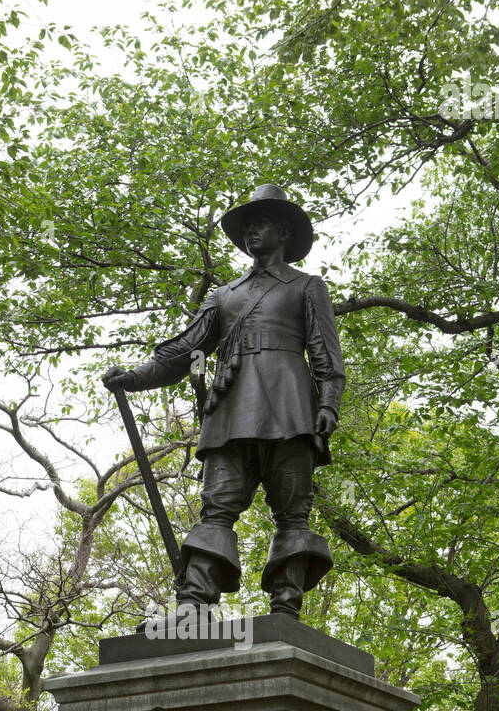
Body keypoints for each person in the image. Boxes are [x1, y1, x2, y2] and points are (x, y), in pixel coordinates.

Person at [103, 184, 345, 619]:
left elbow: (326, 354)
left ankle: (285, 609)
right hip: (233, 410)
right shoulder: (224, 295)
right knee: (217, 506)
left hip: (292, 408)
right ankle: (192, 604)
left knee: (293, 513)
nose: (252, 232)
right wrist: (134, 377)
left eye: (262, 224)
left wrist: (328, 403)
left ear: (284, 232)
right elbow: (183, 353)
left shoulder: (308, 287)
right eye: (247, 227)